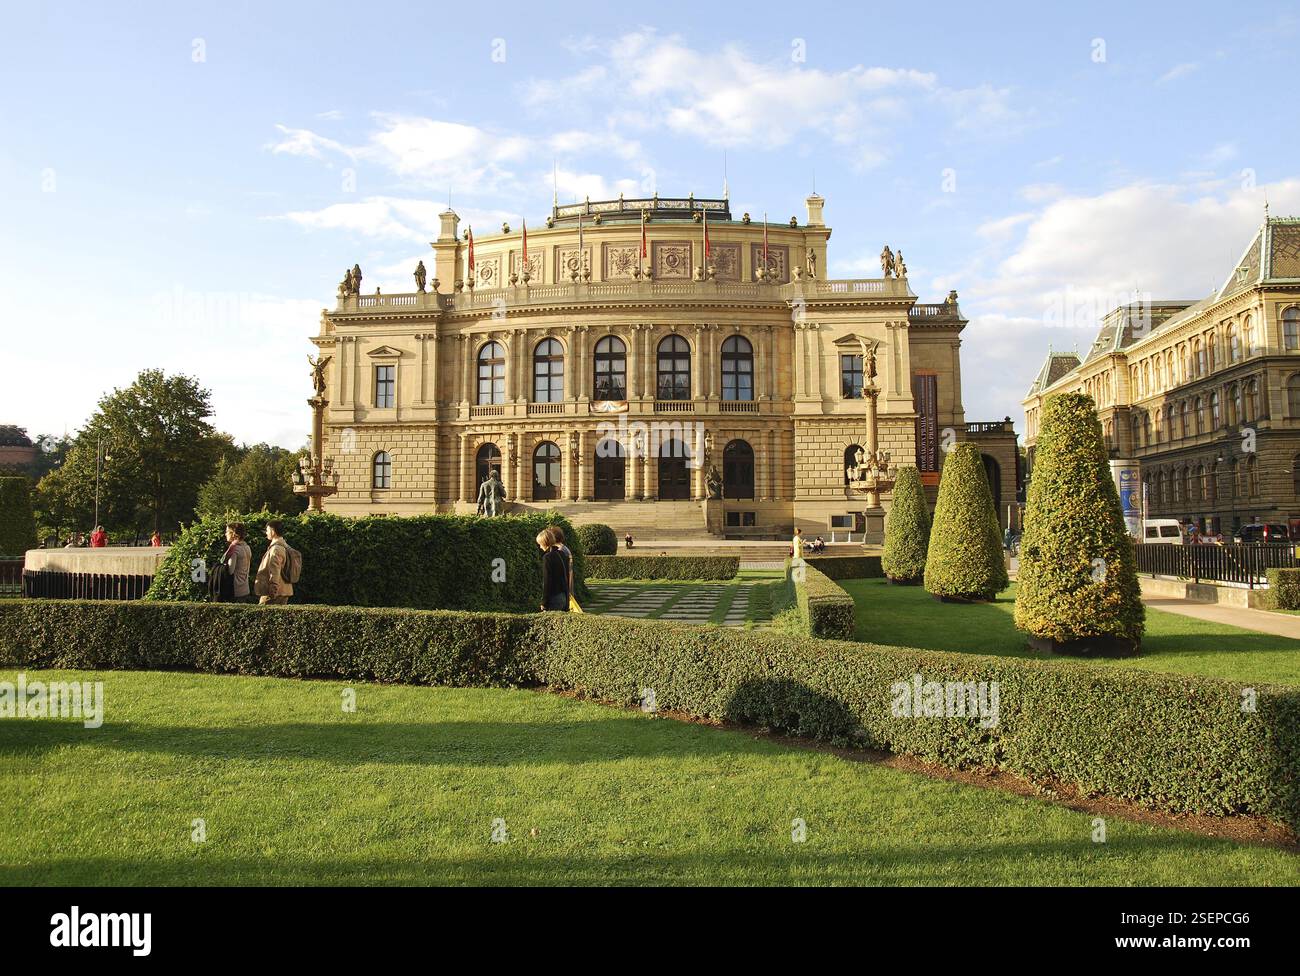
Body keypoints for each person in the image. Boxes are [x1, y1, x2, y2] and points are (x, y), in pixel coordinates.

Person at [254, 519, 294, 605]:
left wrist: (273, 590)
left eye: (267, 530)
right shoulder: (285, 546)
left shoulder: (276, 549)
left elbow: (274, 571)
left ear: (273, 531)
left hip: (274, 592)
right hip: (284, 590)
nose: (266, 533)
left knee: (262, 616)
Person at [537, 527, 570, 612]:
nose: (540, 547)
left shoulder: (547, 557)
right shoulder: (562, 554)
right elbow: (566, 577)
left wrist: (544, 602)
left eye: (540, 544)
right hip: (563, 596)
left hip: (554, 598)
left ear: (545, 543)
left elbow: (547, 581)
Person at [218, 522, 252, 603]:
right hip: (245, 587)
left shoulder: (234, 549)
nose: (225, 534)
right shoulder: (247, 547)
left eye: (227, 531)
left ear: (234, 534)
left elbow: (230, 570)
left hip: (235, 589)